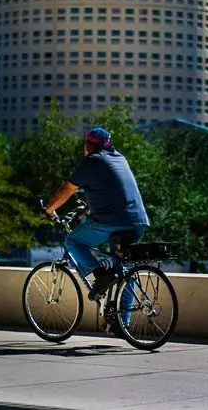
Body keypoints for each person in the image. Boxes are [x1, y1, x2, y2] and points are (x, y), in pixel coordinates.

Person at [41, 127, 150, 301]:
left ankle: (101, 276)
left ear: (89, 145)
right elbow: (114, 190)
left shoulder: (91, 161)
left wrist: (48, 210)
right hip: (138, 221)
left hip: (114, 221)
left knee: (73, 241)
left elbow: (67, 190)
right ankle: (123, 325)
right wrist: (88, 209)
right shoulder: (119, 158)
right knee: (125, 269)